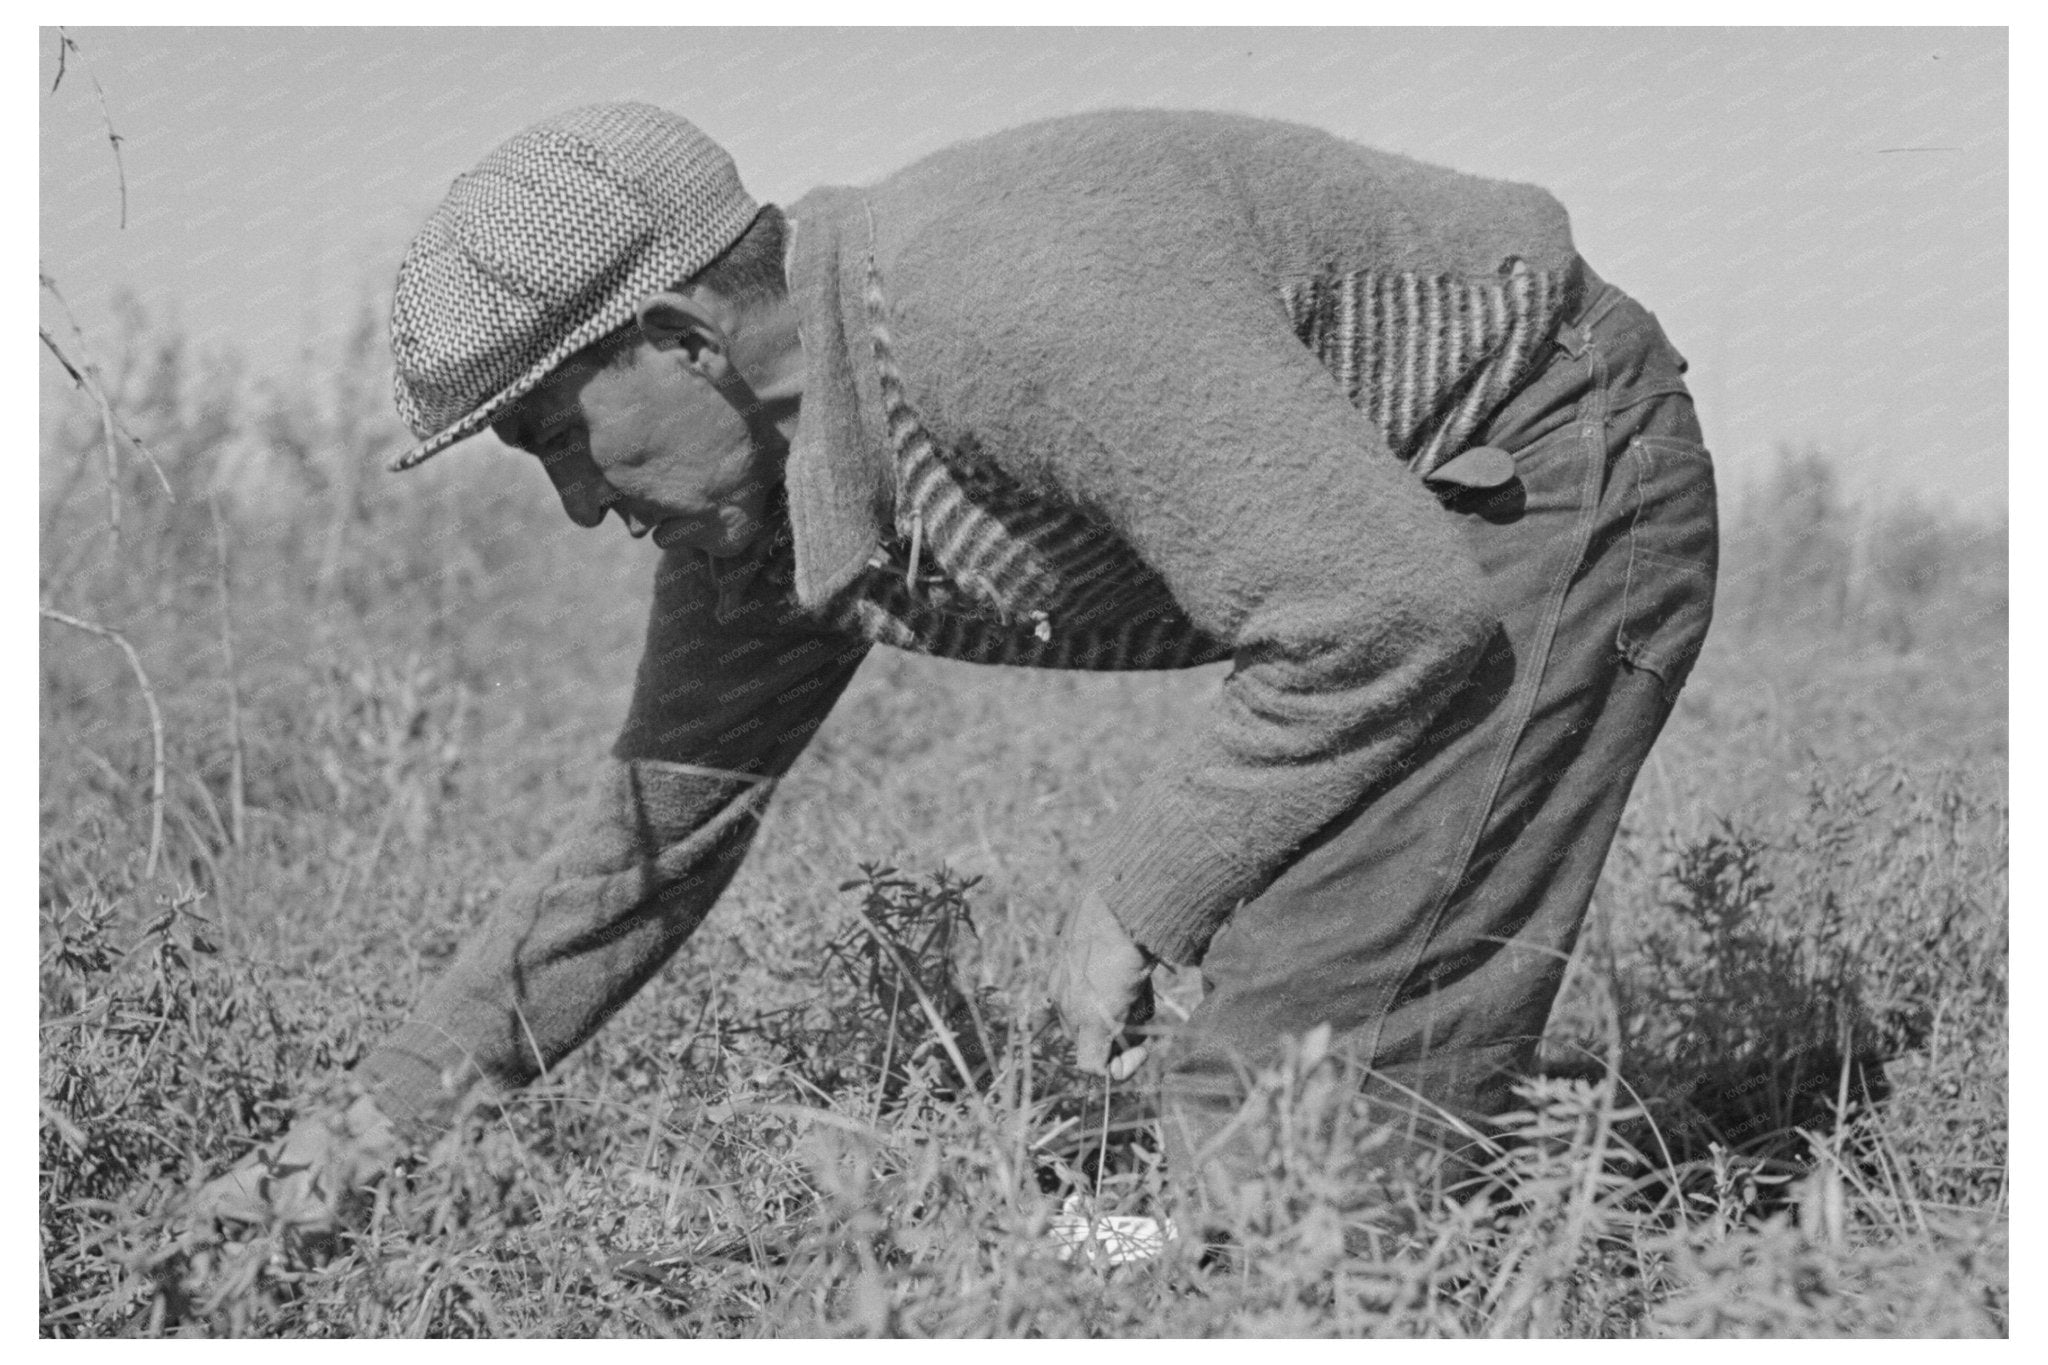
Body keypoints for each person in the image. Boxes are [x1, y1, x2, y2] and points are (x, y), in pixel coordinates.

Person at [197, 101, 1717, 1233]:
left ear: (678, 336)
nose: (583, 504)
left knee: (1290, 1136)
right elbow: (640, 856)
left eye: (559, 440)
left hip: (1534, 463)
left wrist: (1139, 888)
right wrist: (324, 1166)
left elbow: (1384, 609)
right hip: (1394, 553)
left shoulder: (997, 306)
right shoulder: (771, 501)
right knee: (1234, 1142)